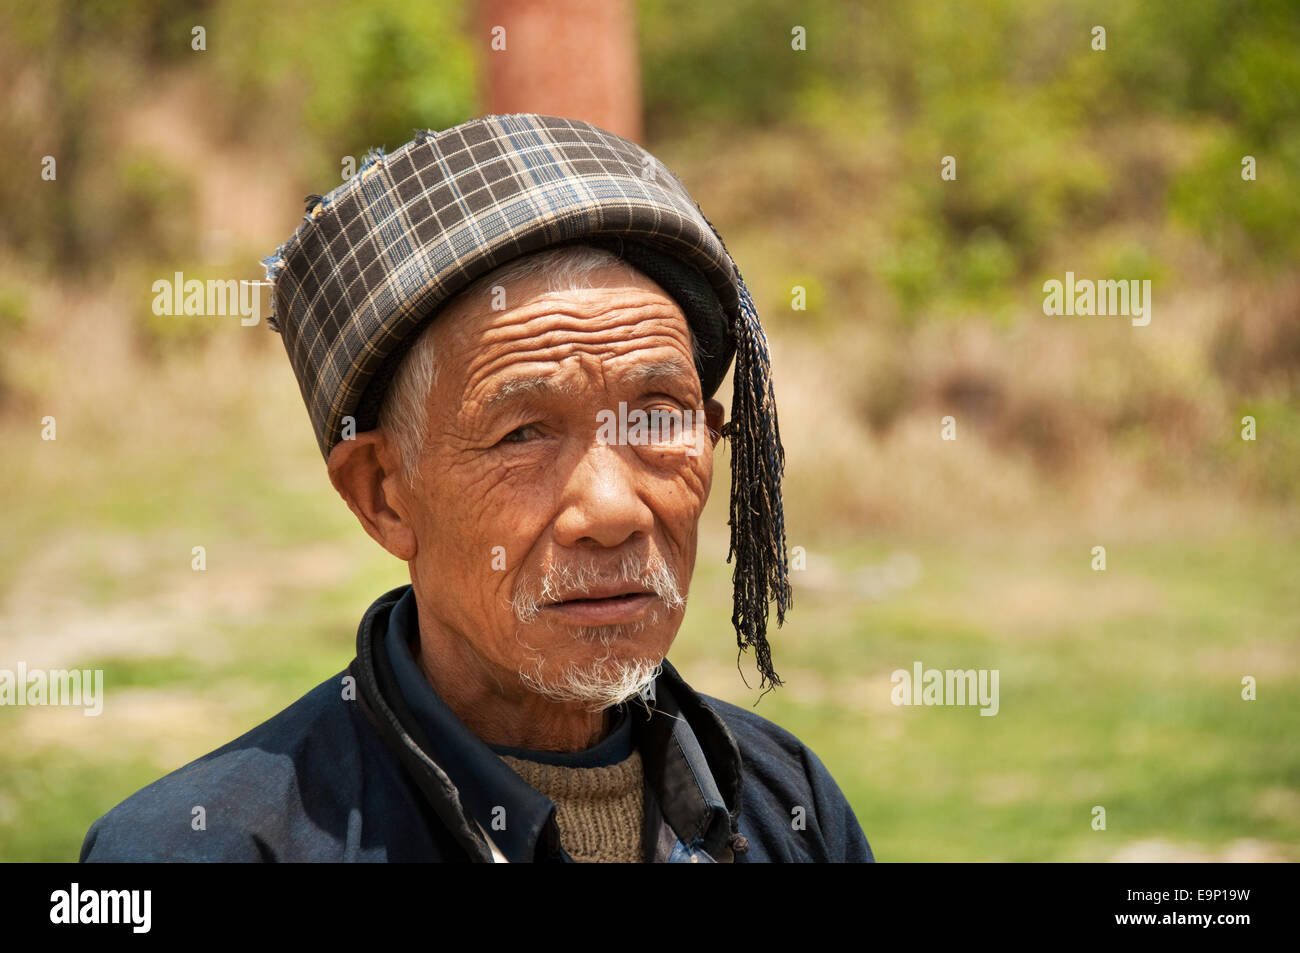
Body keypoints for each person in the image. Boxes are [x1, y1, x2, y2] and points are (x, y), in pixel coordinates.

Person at [80, 114, 873, 862]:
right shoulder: (204, 847)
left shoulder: (788, 806)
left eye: (657, 418)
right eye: (523, 433)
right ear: (383, 495)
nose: (612, 510)